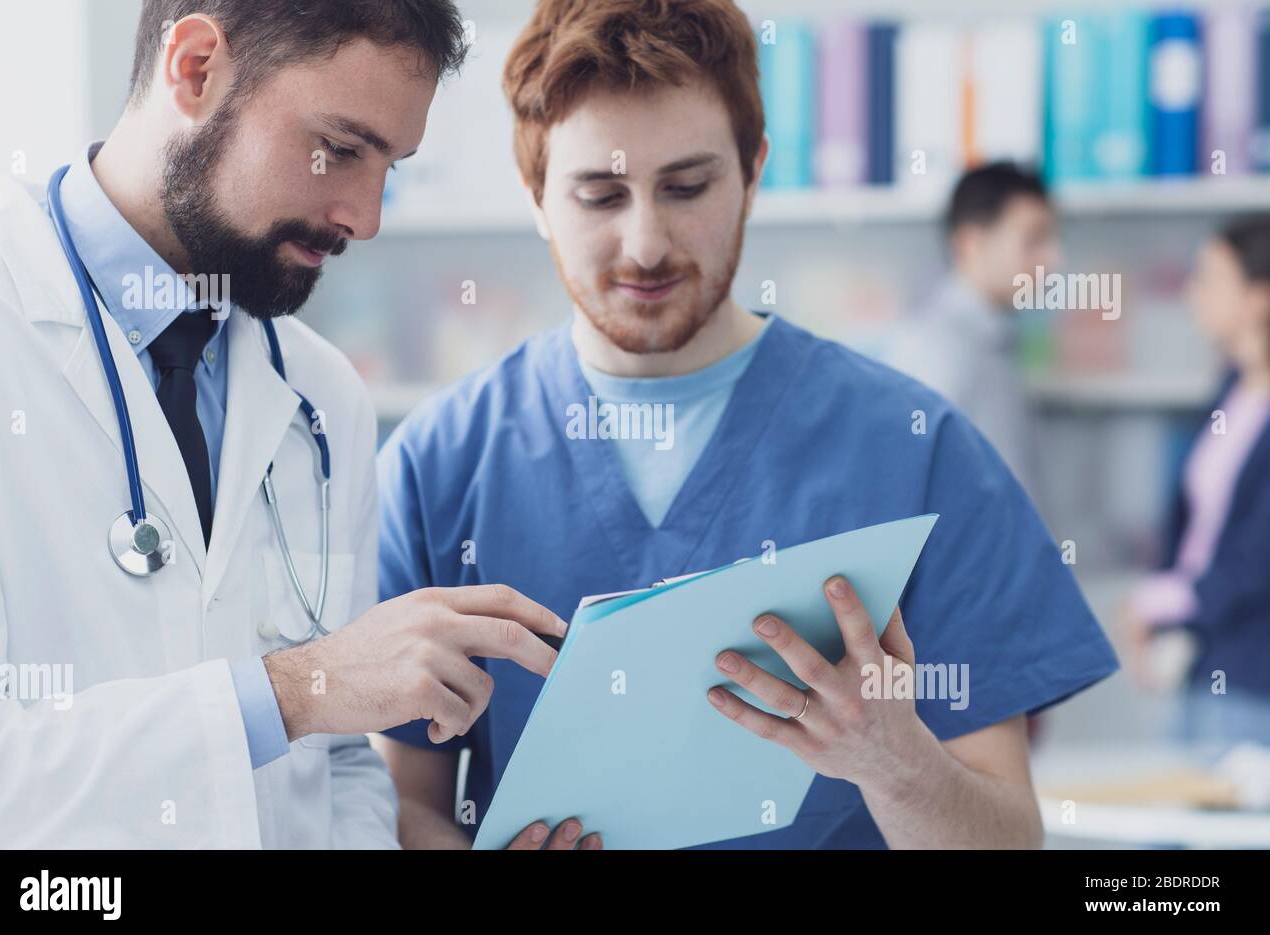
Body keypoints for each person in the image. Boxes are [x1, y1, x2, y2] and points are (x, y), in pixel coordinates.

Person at [375, 0, 1117, 850]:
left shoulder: (915, 448)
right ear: (536, 195)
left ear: (754, 172)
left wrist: (891, 761)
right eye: (600, 195)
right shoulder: (439, 464)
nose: (646, 244)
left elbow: (1010, 839)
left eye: (687, 187)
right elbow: (404, 804)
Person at [0, 0, 566, 849]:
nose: (365, 215)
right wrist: (296, 691)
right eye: (341, 148)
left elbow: (342, 768)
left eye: (388, 165)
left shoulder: (325, 396)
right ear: (196, 68)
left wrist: (321, 710)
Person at [1119, 218, 1270, 747]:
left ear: (1259, 296)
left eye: (1209, 278)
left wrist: (1155, 602)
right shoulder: (1231, 387)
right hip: (1198, 655)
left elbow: (1255, 560)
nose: (1193, 293)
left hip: (1253, 672)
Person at [882, 162, 1061, 496]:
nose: (1052, 259)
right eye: (1034, 240)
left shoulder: (995, 337)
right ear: (971, 244)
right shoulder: (937, 344)